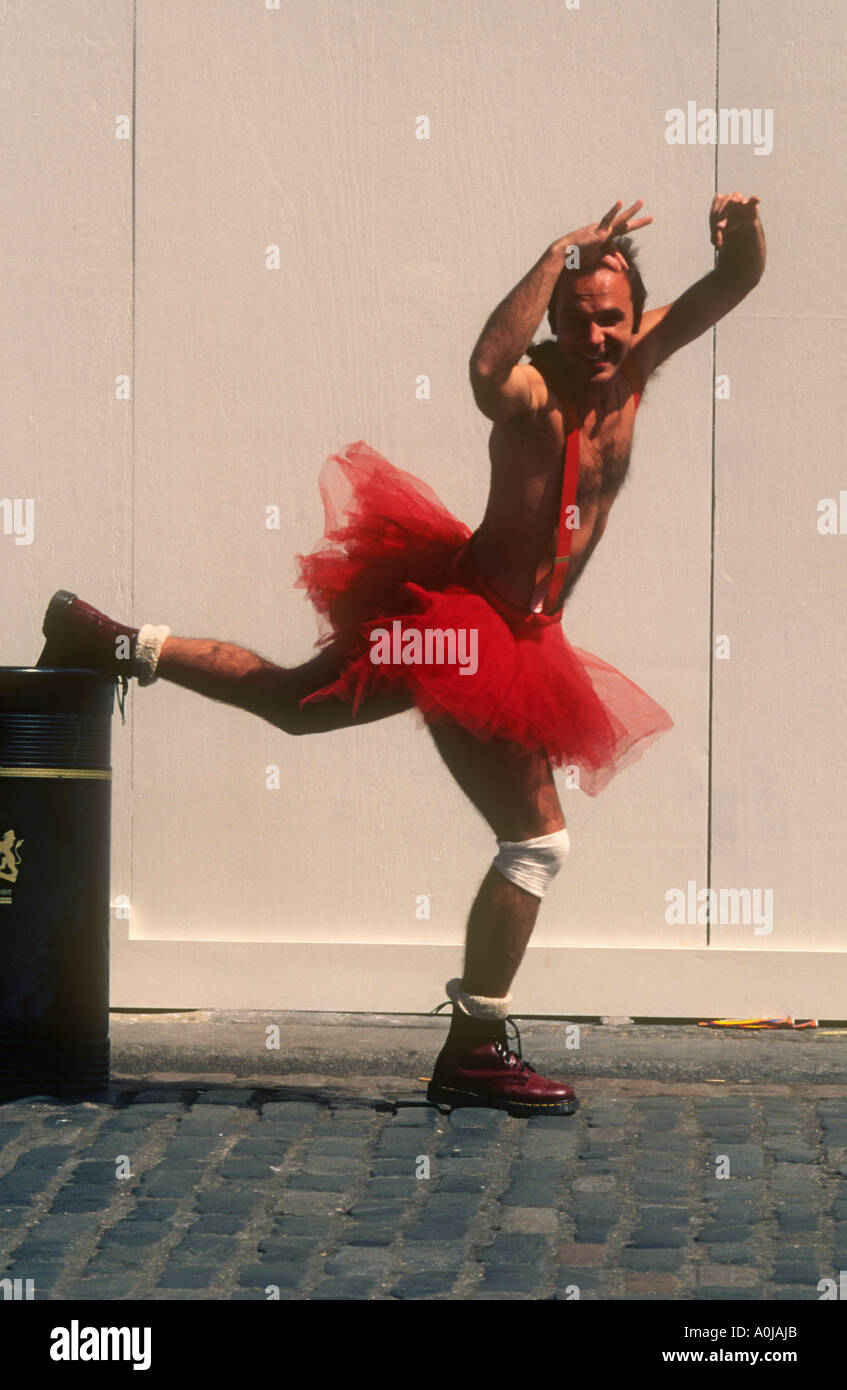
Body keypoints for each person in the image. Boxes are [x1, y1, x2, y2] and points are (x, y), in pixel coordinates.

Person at [36, 194, 765, 1117]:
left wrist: (740, 235)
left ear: (633, 316)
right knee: (536, 842)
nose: (597, 336)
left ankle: (114, 642)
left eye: (611, 319)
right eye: (577, 319)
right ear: (556, 318)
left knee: (295, 704)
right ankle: (476, 1047)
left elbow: (733, 281)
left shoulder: (641, 357)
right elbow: (485, 368)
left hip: (514, 630)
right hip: (471, 632)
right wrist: (553, 252)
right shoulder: (535, 392)